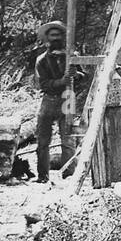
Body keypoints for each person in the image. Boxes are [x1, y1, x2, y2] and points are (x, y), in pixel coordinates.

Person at [33, 20, 75, 185]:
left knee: (68, 139)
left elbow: (84, 76)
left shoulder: (72, 56)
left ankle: (69, 175)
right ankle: (43, 176)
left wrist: (76, 74)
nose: (55, 38)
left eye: (58, 35)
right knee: (43, 141)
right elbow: (44, 84)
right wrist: (61, 81)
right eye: (52, 35)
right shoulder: (41, 60)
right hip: (49, 101)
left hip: (68, 99)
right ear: (47, 38)